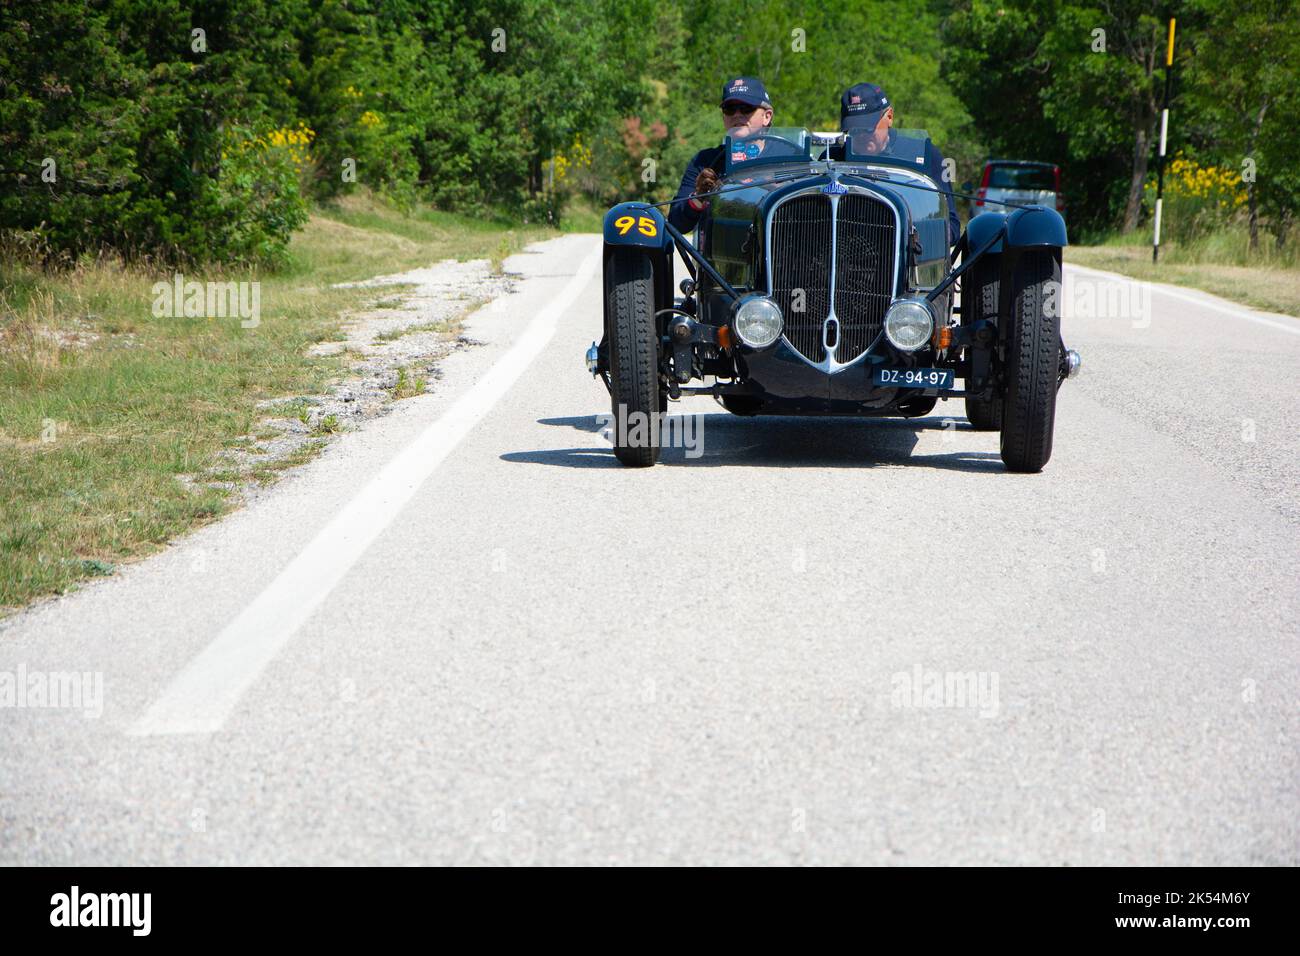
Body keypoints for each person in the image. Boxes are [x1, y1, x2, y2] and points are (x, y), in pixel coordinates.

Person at [839, 82, 960, 248]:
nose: (860, 136)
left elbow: (952, 225)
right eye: (853, 130)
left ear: (889, 116)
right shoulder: (833, 160)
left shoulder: (927, 156)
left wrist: (914, 235)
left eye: (867, 128)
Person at [667, 76, 775, 234]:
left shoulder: (793, 157)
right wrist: (699, 197)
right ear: (723, 116)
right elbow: (676, 224)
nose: (737, 114)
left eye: (746, 108)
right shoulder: (704, 161)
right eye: (730, 109)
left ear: (767, 116)